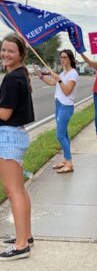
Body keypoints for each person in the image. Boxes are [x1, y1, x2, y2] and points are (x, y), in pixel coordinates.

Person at [0, 33, 35, 261]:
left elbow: (4, 114)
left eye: (11, 51)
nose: (5, 54)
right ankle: (26, 236)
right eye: (3, 50)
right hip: (15, 135)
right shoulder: (20, 74)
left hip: (9, 137)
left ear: (20, 54)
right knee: (19, 190)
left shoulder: (12, 79)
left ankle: (22, 245)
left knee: (13, 192)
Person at [36, 49, 79, 173]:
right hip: (59, 105)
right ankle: (66, 160)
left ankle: (69, 163)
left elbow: (67, 91)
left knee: (60, 135)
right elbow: (52, 82)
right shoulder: (63, 73)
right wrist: (41, 76)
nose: (62, 59)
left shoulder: (73, 73)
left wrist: (59, 79)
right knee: (64, 134)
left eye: (64, 57)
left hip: (66, 106)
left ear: (70, 58)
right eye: (61, 57)